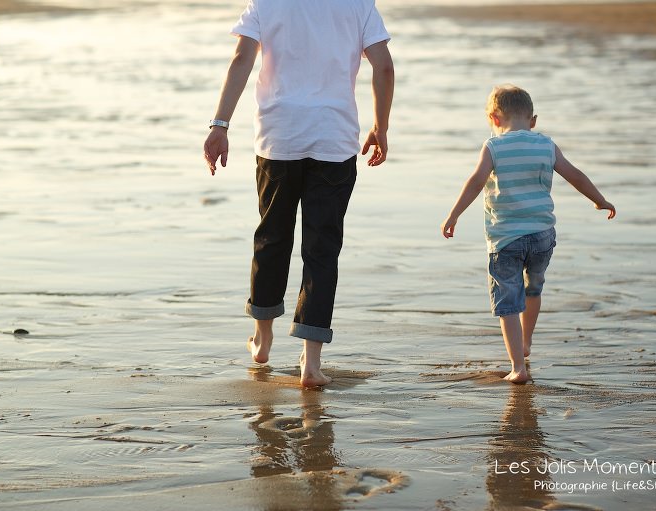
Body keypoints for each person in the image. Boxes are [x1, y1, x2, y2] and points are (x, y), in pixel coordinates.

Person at [203, 1, 394, 387]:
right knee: (322, 250)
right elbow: (384, 67)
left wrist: (220, 124)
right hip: (334, 138)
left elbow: (241, 57)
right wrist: (381, 126)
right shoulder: (358, 5)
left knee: (272, 236)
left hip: (279, 136)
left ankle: (262, 338)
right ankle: (311, 363)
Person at [440, 84, 615, 384]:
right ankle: (527, 342)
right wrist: (599, 200)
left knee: (508, 299)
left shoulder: (493, 147)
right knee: (533, 289)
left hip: (506, 238)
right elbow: (575, 175)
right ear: (532, 120)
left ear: (494, 119)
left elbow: (475, 182)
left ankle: (517, 367)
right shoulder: (546, 144)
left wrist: (454, 214)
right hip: (542, 236)